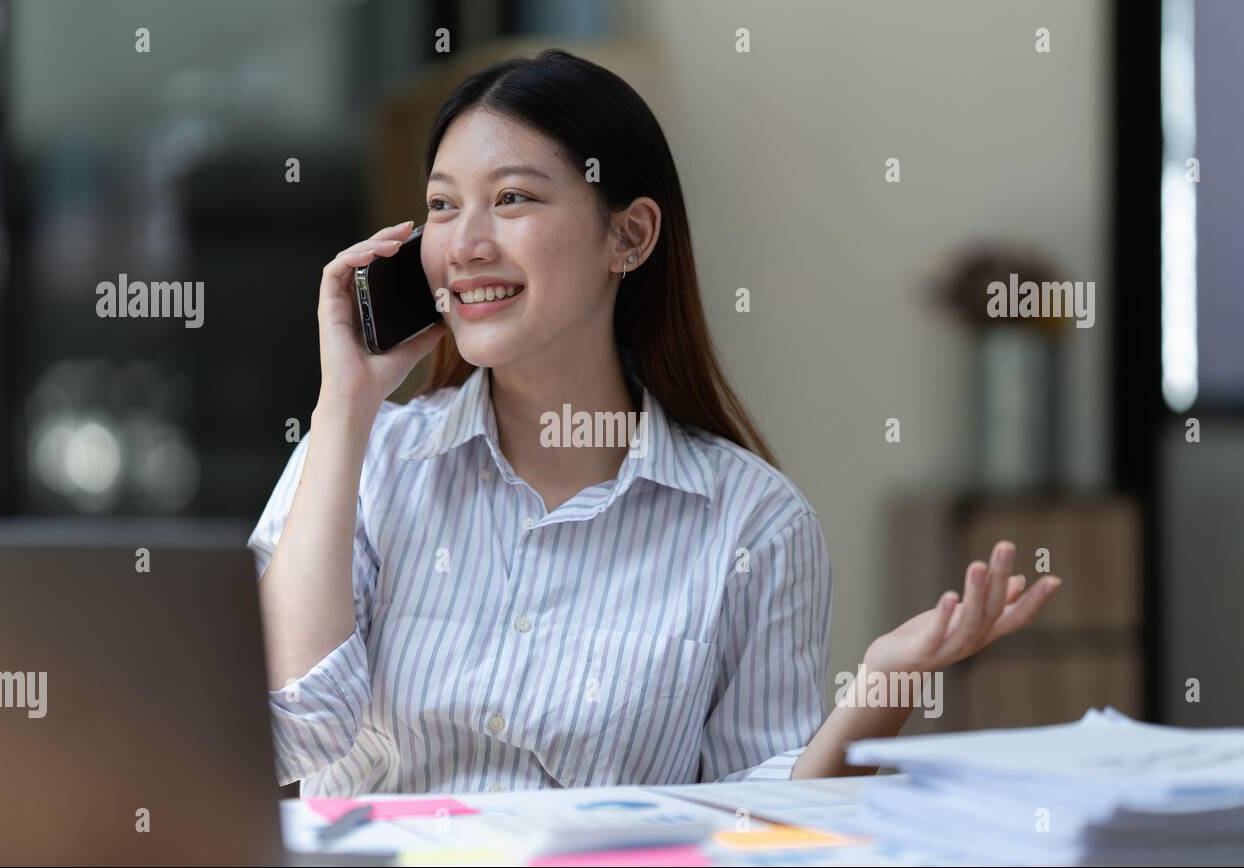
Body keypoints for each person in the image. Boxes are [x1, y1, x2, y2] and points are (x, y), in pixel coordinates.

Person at [249, 49, 1060, 797]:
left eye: (512, 199)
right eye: (441, 206)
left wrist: (882, 683)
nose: (464, 243)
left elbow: (760, 830)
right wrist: (345, 406)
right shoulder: (359, 460)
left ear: (628, 236)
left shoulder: (754, 523)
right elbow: (288, 738)